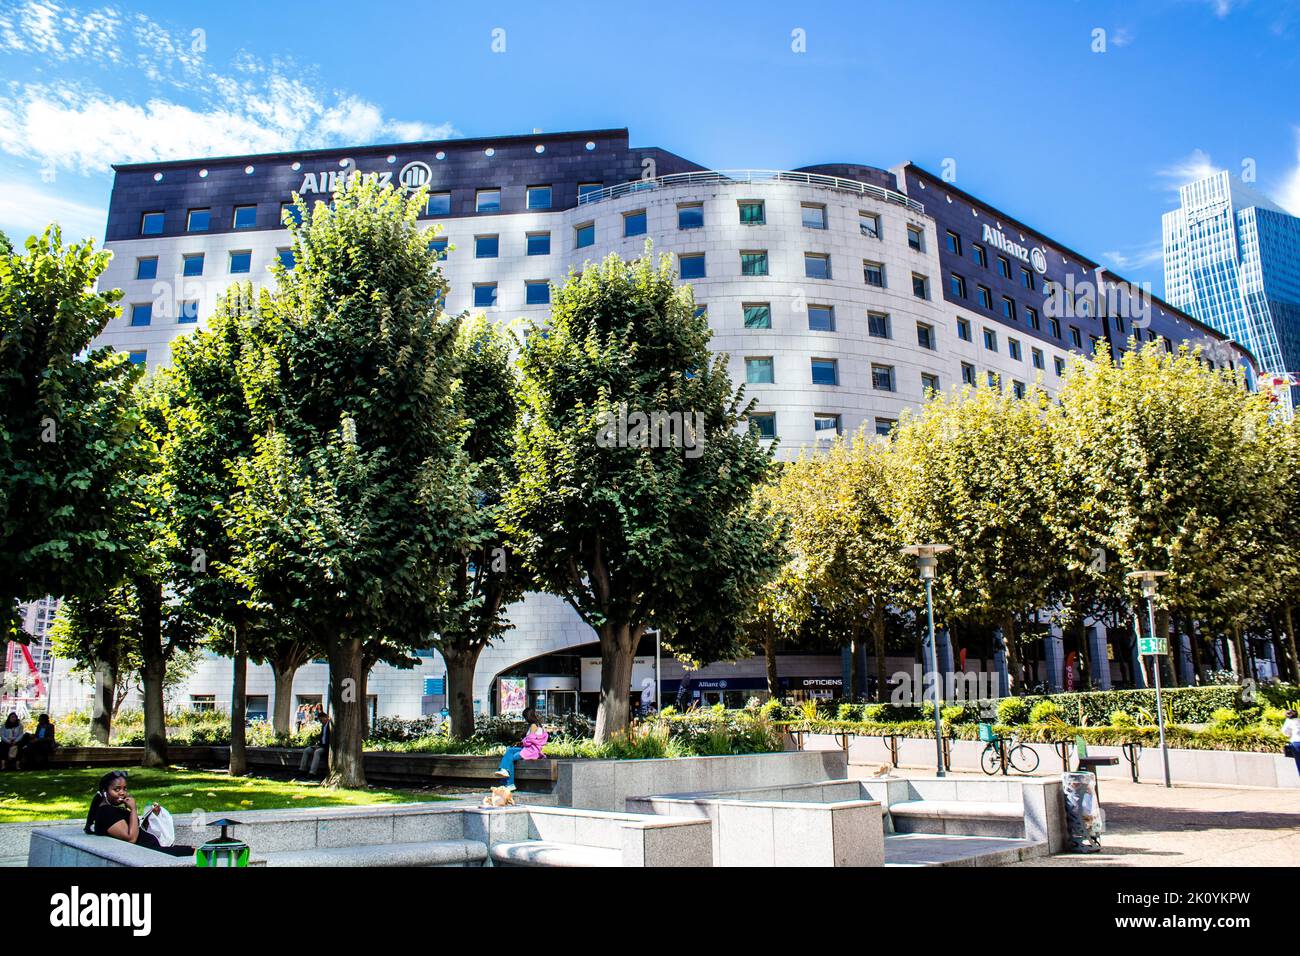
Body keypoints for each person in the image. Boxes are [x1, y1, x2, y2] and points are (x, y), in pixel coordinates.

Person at [84, 771, 193, 857]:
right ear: (105, 791)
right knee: (199, 852)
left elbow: (134, 828)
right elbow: (131, 838)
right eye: (116, 789)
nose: (122, 792)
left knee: (200, 849)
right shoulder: (107, 812)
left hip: (153, 849)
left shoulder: (110, 809)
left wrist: (152, 815)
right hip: (150, 853)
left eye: (124, 788)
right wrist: (133, 809)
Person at [494, 708, 548, 791]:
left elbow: (530, 740)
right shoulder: (537, 725)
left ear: (528, 717)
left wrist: (523, 741)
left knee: (511, 758)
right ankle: (504, 770)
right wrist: (523, 742)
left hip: (531, 751)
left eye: (525, 717)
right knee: (510, 750)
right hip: (528, 749)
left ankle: (509, 783)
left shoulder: (533, 725)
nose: (524, 719)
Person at [299, 709, 331, 775]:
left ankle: (312, 772)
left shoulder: (330, 726)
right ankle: (302, 769)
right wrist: (316, 745)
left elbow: (328, 741)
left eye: (322, 720)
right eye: (320, 720)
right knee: (306, 750)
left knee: (317, 752)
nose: (321, 722)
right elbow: (322, 738)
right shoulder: (323, 726)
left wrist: (319, 746)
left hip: (326, 747)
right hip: (320, 745)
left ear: (326, 717)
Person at [1283, 709, 1300, 777]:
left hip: (1296, 743)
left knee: (1299, 763)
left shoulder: (1289, 721)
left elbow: (1285, 732)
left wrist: (1290, 734)